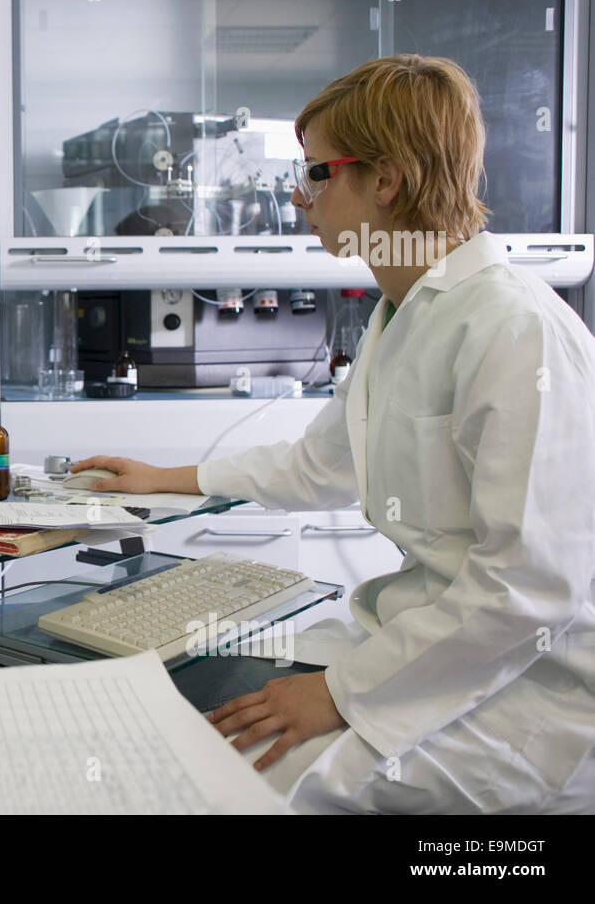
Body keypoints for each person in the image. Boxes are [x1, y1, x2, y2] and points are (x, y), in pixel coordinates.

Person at [72, 55, 595, 813]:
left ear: (386, 180)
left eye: (317, 173)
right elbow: (320, 465)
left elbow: (530, 590)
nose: (298, 195)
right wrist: (163, 478)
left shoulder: (513, 330)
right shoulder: (405, 313)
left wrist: (342, 696)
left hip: (527, 703)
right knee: (189, 696)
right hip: (426, 651)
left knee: (234, 782)